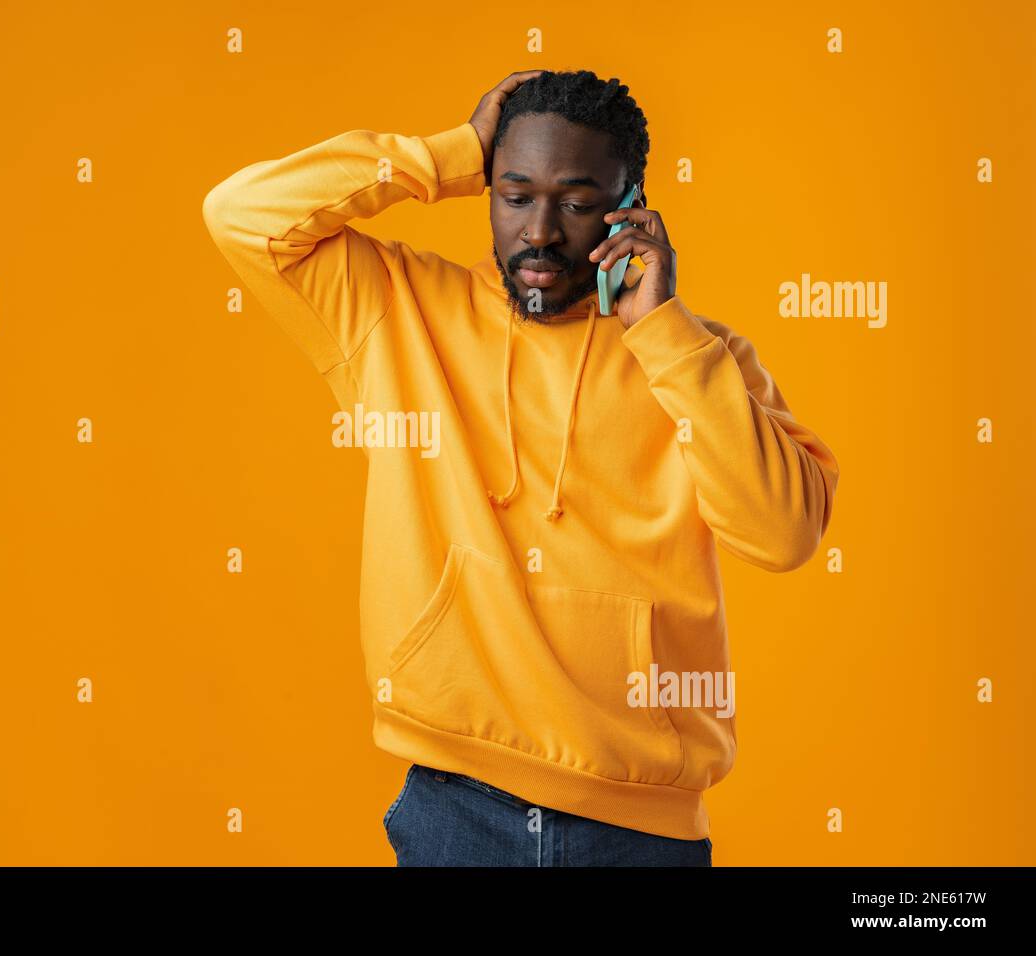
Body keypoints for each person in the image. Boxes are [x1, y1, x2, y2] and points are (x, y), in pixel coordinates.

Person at [202, 69, 839, 866]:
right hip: (455, 804)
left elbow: (783, 535)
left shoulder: (696, 359)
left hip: (640, 829)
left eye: (575, 204)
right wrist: (448, 155)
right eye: (513, 195)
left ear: (630, 205)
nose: (540, 232)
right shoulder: (399, 311)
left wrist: (664, 334)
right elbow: (241, 215)